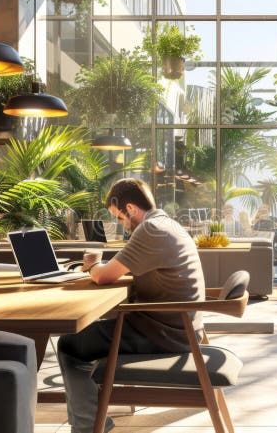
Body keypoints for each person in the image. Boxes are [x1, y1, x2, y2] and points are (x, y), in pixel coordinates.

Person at [57, 178, 205, 433]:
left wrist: (92, 265)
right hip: (180, 327)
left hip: (162, 333)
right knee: (89, 335)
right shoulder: (168, 225)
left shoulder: (150, 230)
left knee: (69, 343)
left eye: (121, 217)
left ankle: (88, 426)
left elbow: (103, 276)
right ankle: (95, 418)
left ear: (132, 209)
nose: (122, 225)